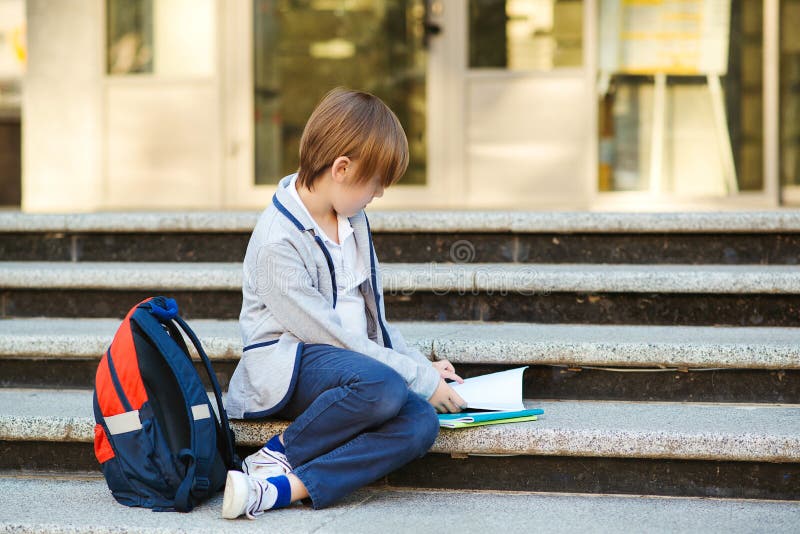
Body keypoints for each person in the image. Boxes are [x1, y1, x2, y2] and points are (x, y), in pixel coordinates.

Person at [222, 88, 467, 519]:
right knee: (387, 386)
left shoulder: (352, 218)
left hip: (354, 370)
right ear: (342, 168)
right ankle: (280, 453)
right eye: (375, 184)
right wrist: (417, 378)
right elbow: (331, 336)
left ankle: (278, 488)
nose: (378, 195)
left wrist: (417, 364)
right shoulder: (277, 241)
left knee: (421, 422)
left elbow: (374, 321)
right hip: (291, 366)